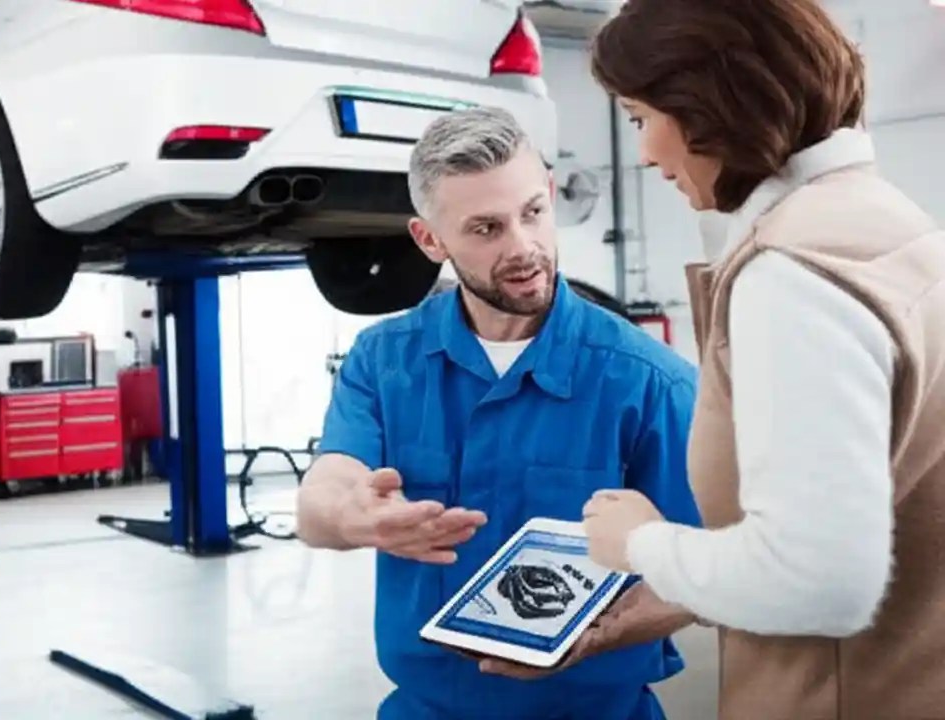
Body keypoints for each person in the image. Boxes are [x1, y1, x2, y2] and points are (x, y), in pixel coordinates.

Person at [580, 2, 945, 719]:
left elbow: (817, 583)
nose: (647, 153)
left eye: (639, 117)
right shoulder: (892, 222)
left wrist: (643, 545)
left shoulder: (793, 275)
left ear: (710, 101)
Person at [295, 106, 703, 720]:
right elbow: (320, 502)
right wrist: (355, 517)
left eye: (533, 213)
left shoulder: (650, 382)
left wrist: (599, 634)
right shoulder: (383, 362)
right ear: (429, 239)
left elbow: (703, 570)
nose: (523, 247)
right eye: (486, 229)